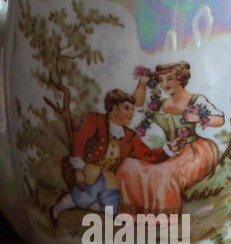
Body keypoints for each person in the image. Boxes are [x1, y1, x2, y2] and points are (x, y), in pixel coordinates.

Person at [117, 61, 223, 214]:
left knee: (165, 173)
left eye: (169, 78)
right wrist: (142, 84)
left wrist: (197, 117)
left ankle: (165, 216)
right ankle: (136, 214)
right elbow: (136, 105)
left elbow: (219, 119)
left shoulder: (195, 100)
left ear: (180, 78)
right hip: (167, 149)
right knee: (128, 167)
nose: (164, 83)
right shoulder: (158, 103)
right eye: (161, 80)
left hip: (191, 149)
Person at [51, 89, 167, 223]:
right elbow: (79, 141)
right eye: (126, 108)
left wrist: (169, 151)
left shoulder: (129, 135)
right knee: (84, 196)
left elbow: (147, 153)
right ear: (114, 108)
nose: (131, 113)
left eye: (132, 109)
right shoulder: (95, 120)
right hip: (89, 170)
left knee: (112, 208)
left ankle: (92, 205)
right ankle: (58, 208)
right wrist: (79, 170)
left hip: (109, 176)